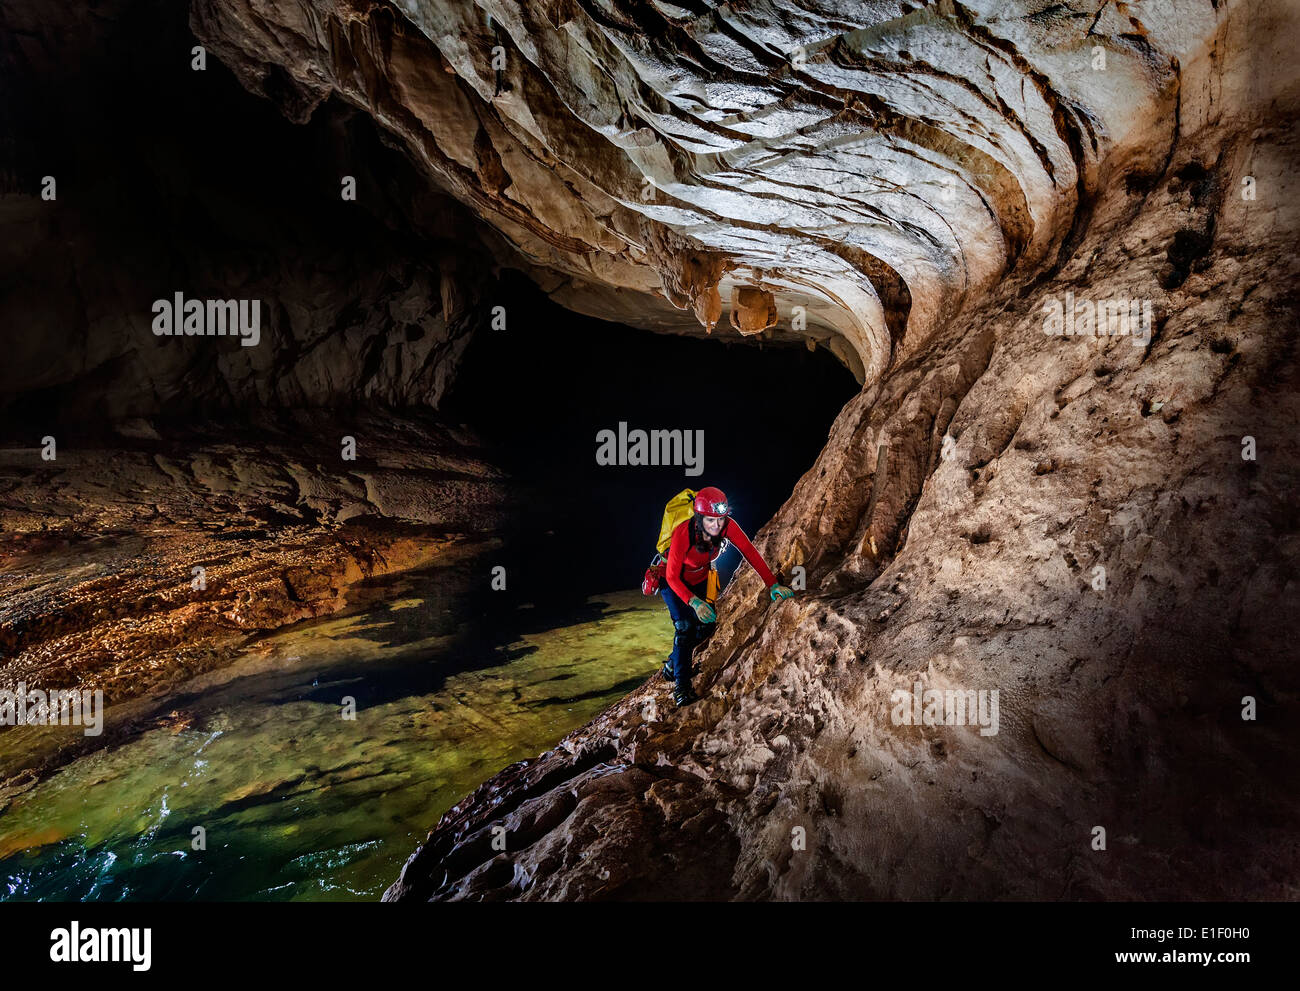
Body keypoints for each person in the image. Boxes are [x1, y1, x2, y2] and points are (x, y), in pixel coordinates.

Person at [660, 486, 794, 706]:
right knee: (684, 628)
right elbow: (672, 577)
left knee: (706, 626)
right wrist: (694, 602)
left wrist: (772, 585)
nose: (716, 526)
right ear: (699, 517)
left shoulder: (726, 527)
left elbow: (749, 552)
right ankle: (681, 689)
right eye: (710, 520)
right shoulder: (683, 532)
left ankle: (673, 665)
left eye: (720, 519)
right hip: (673, 581)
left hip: (700, 578)